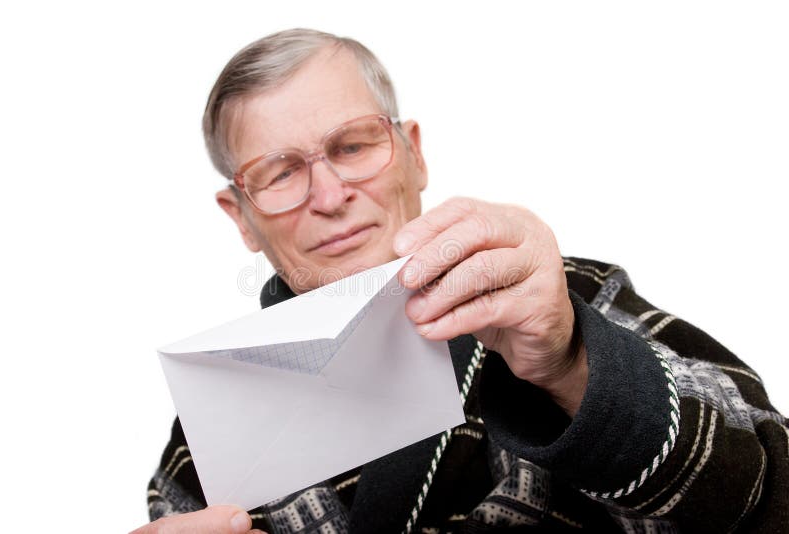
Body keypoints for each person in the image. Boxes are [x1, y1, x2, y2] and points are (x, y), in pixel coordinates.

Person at [132, 29, 788, 533]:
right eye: (279, 174)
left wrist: (570, 363)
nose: (329, 195)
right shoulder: (206, 443)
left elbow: (770, 488)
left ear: (413, 153)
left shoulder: (570, 303)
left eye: (353, 146)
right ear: (241, 216)